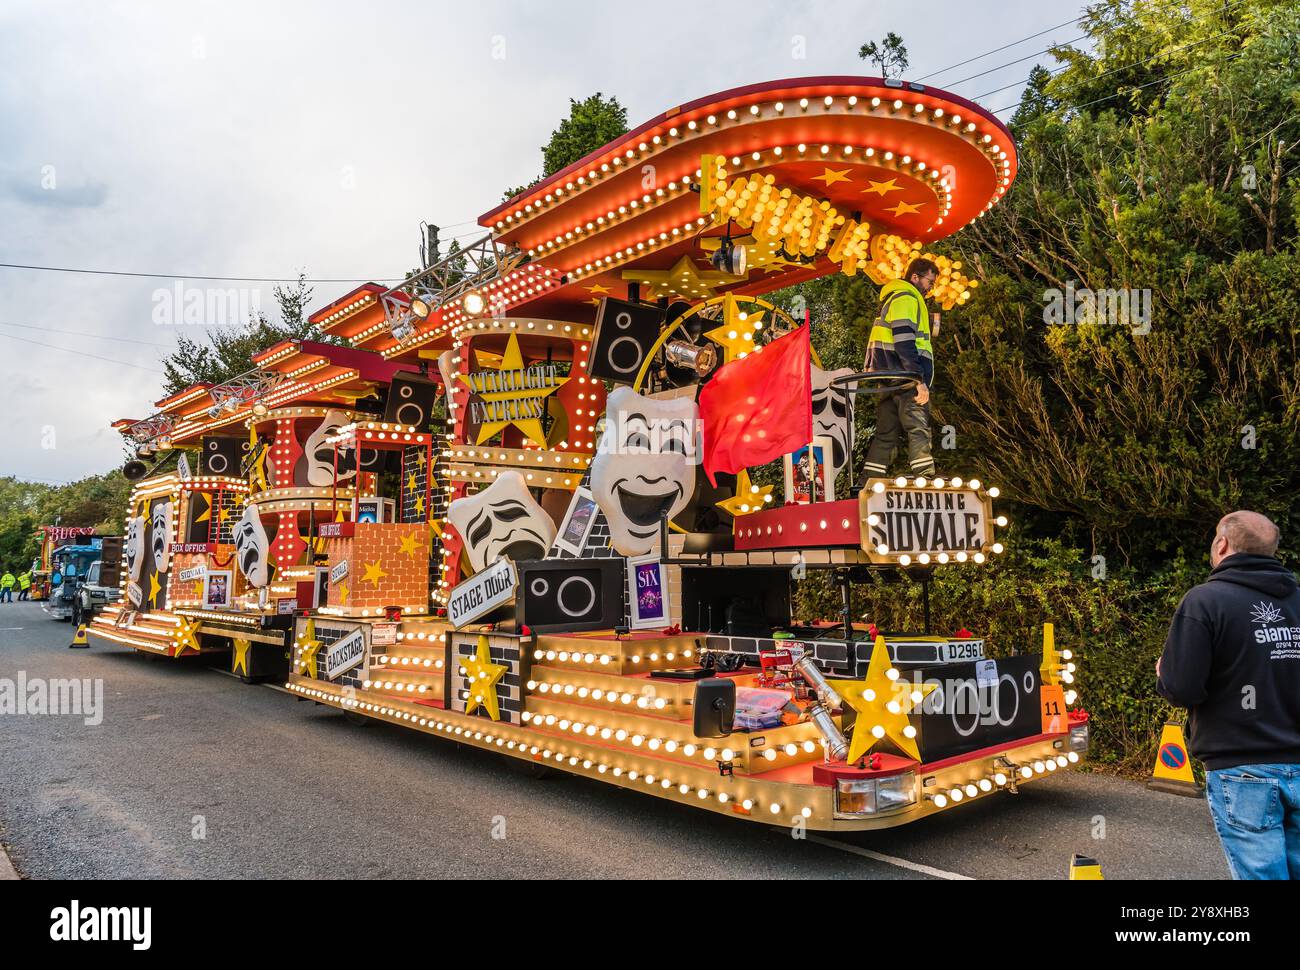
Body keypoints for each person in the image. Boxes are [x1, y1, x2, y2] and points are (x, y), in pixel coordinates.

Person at [1157, 511, 1300, 880]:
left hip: (1243, 769)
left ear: (1222, 544)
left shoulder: (1206, 602)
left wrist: (1164, 672)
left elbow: (1182, 687)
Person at [860, 258, 938, 483]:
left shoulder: (894, 298)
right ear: (915, 277)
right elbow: (904, 341)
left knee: (886, 433)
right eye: (929, 282)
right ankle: (925, 478)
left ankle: (869, 481)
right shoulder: (907, 298)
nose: (930, 288)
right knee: (917, 425)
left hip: (887, 377)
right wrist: (918, 379)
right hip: (904, 377)